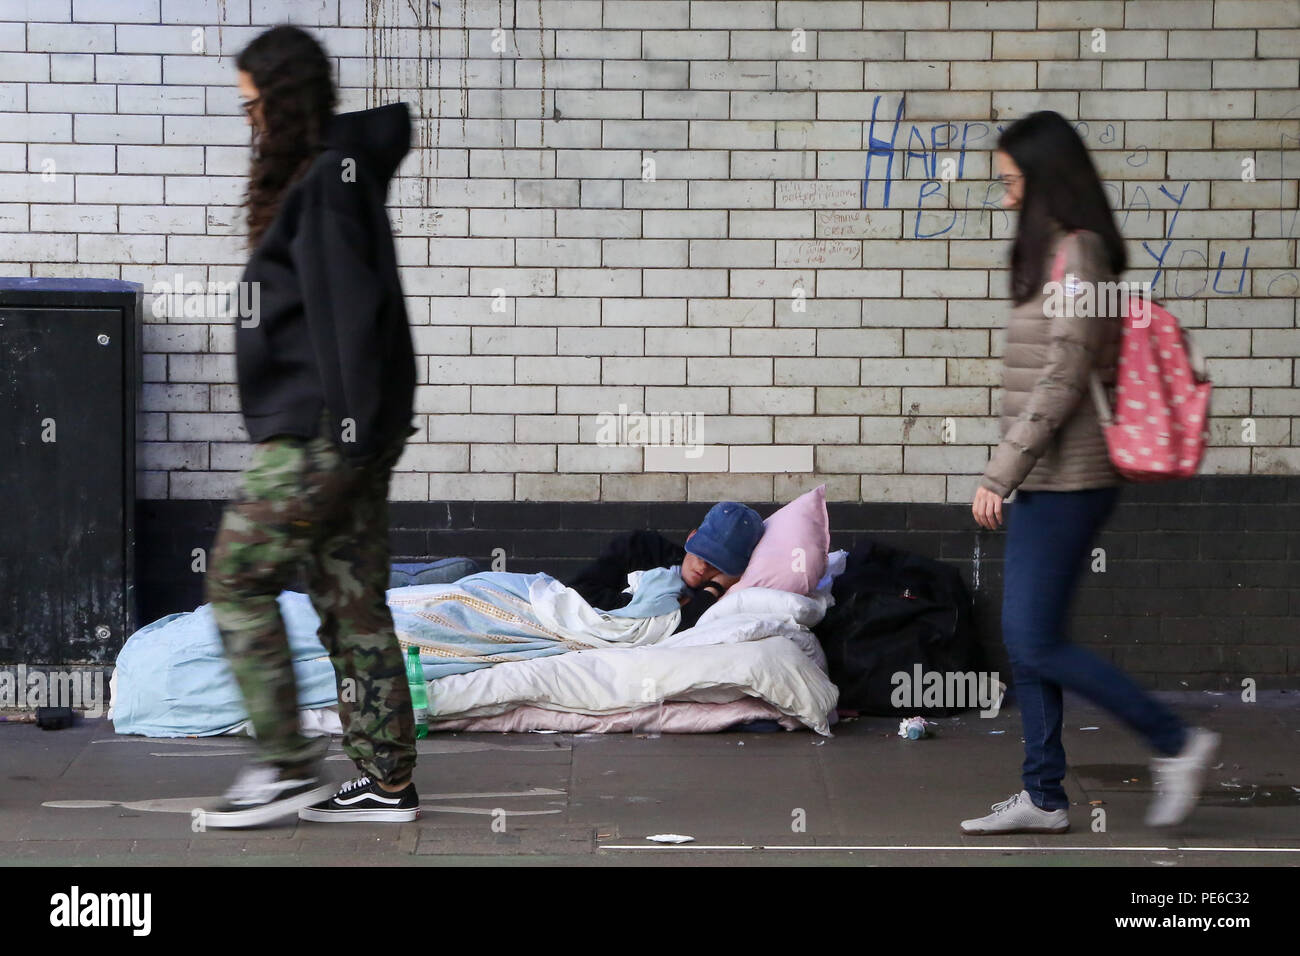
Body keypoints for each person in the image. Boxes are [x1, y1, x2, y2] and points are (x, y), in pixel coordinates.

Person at [963, 111, 1218, 835]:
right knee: (1028, 638)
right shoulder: (1053, 253)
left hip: (1070, 479)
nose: (1007, 196)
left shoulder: (1078, 256)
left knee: (1036, 639)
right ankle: (1043, 796)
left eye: (1013, 182)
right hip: (1046, 477)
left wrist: (1000, 472)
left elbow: (1064, 374)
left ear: (1047, 180)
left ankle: (1178, 741)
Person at [203, 25, 421, 827]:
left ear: (284, 101)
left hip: (322, 431)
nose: (249, 121)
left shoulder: (328, 181)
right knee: (350, 600)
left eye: (254, 106)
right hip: (351, 427)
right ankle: (386, 781)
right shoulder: (333, 175)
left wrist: (349, 437)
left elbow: (347, 313)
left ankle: (288, 767)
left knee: (235, 577)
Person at [565, 502, 765, 632]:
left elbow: (680, 628)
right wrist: (641, 605)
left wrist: (715, 588)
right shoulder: (641, 547)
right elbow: (578, 592)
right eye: (701, 554)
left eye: (716, 564)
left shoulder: (725, 596)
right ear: (692, 537)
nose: (703, 566)